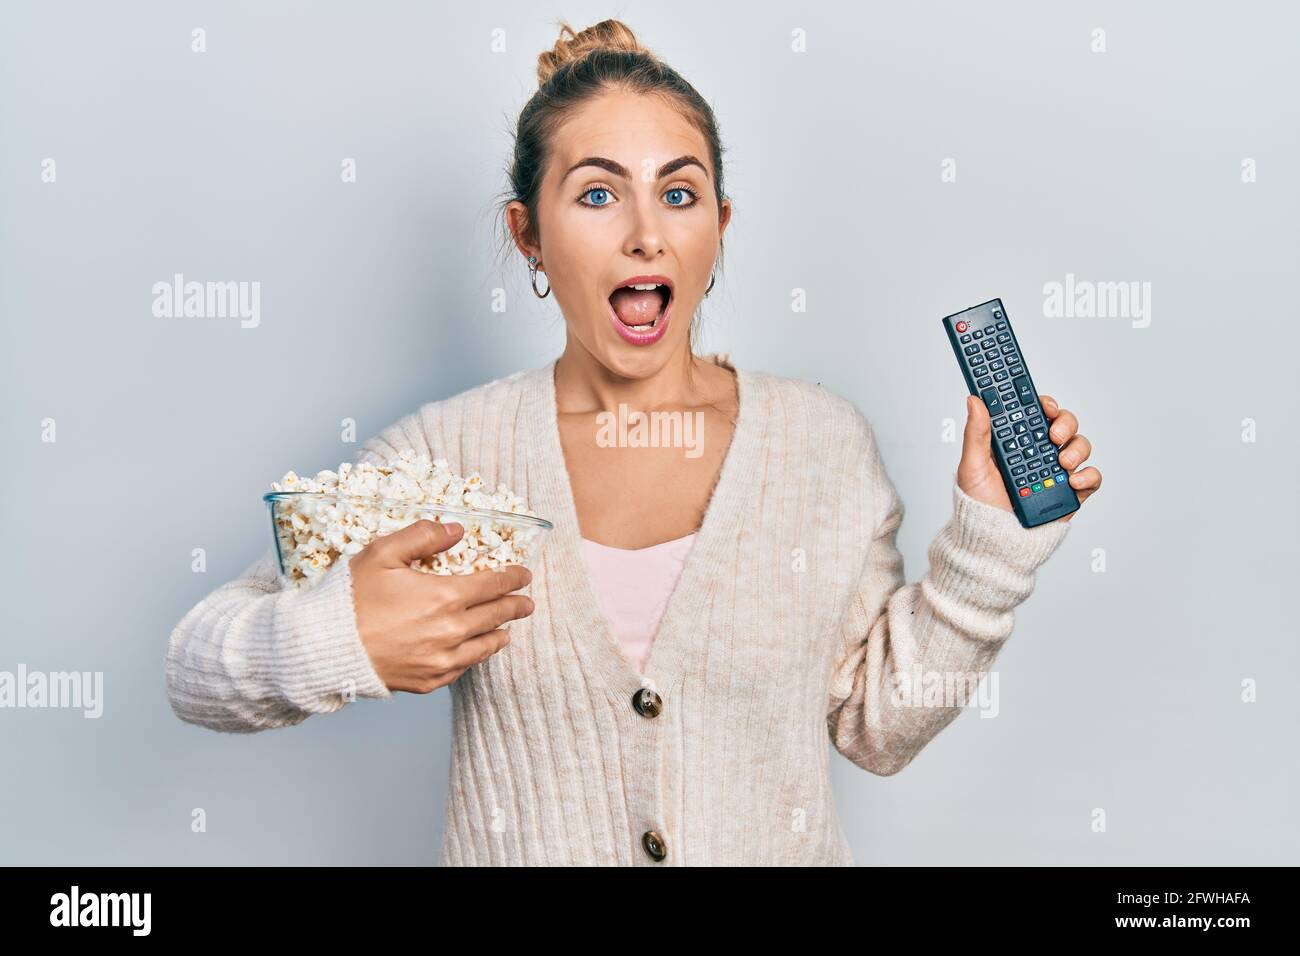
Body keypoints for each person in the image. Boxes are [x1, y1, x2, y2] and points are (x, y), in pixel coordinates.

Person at [166, 18, 1102, 866]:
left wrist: (991, 548)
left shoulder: (821, 443)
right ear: (527, 235)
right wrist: (337, 638)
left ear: (720, 228)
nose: (646, 235)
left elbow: (877, 728)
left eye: (680, 194)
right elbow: (196, 669)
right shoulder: (444, 457)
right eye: (599, 193)